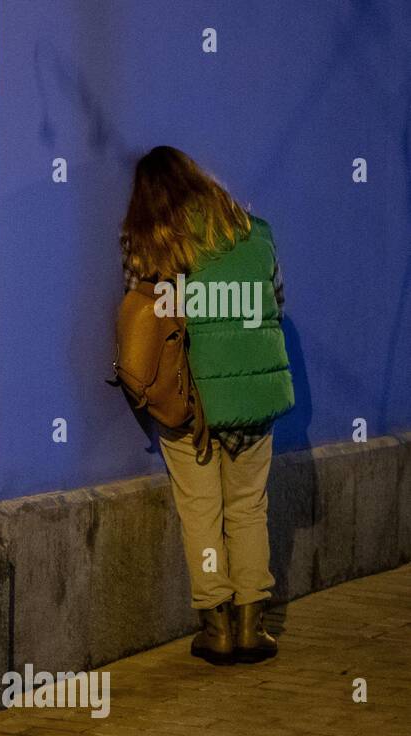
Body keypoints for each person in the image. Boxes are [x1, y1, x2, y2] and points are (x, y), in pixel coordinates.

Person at [120, 146, 294, 666]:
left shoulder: (151, 244)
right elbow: (276, 304)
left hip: (189, 403)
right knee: (248, 508)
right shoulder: (254, 231)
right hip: (255, 401)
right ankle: (252, 626)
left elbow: (143, 315)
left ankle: (215, 628)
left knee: (201, 511)